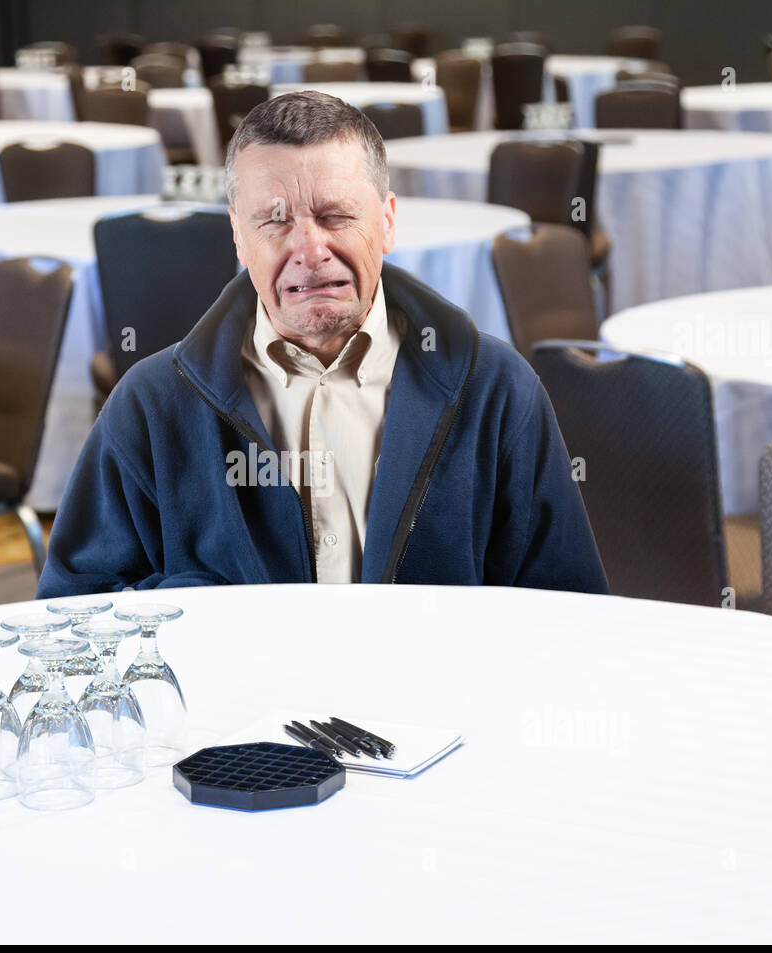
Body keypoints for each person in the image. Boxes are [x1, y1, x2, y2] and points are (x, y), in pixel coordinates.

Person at [37, 91, 607, 594]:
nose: (310, 250)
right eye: (275, 222)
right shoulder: (151, 406)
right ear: (237, 236)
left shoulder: (495, 392)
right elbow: (78, 611)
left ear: (386, 221)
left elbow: (566, 612)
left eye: (335, 216)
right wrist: (212, 609)